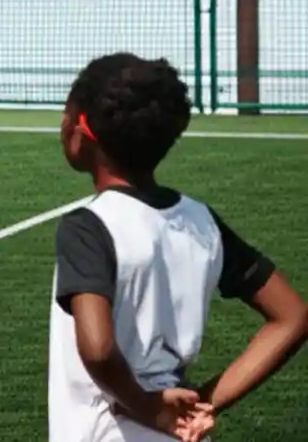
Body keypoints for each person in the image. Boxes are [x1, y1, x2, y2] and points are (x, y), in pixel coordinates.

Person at [50, 53, 308, 442]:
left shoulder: (88, 228)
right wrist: (205, 403)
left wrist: (148, 408)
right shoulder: (202, 221)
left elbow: (98, 349)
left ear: (83, 131)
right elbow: (292, 316)